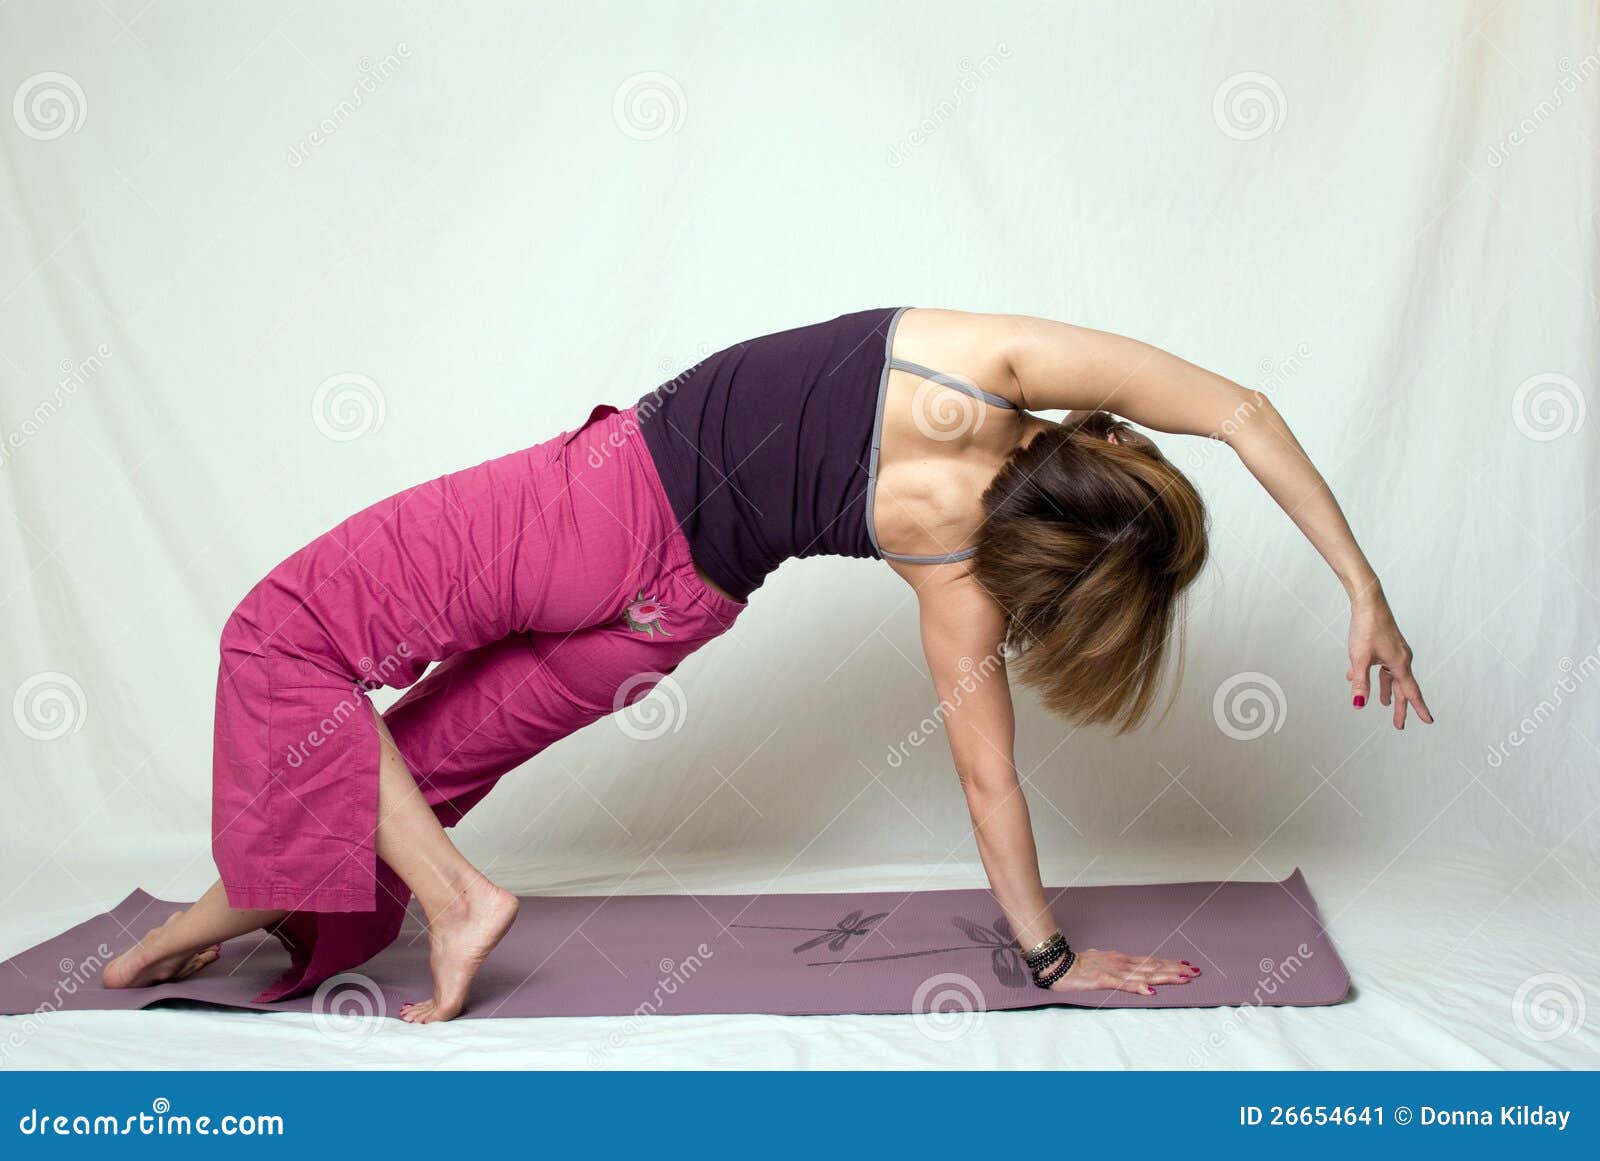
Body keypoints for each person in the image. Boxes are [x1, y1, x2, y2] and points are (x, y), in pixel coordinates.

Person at [103, 306, 1432, 1022]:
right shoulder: (959, 569)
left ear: (1108, 448)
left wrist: (1363, 588)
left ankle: (453, 900)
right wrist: (1047, 955)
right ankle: (230, 910)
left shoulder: (985, 363)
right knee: (418, 763)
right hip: (675, 612)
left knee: (282, 634)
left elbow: (1239, 410)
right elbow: (990, 787)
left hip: (603, 510)